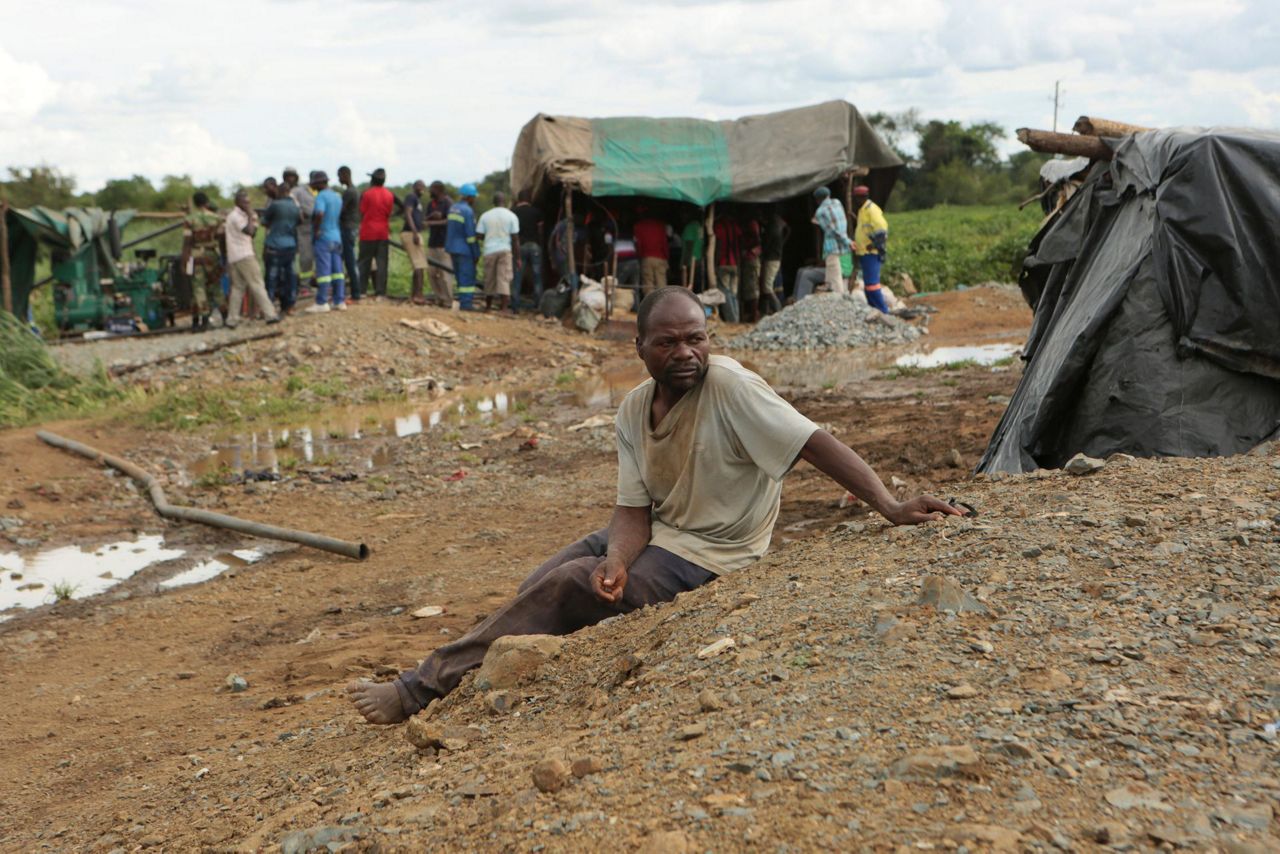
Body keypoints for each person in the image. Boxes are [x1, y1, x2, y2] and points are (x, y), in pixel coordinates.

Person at [347, 286, 960, 724]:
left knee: (564, 587)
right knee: (545, 580)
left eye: (696, 338)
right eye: (668, 342)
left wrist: (890, 505)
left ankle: (416, 690)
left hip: (715, 554)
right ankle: (486, 666)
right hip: (662, 533)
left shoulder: (731, 387)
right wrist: (617, 559)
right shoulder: (635, 408)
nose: (686, 352)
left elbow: (814, 442)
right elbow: (633, 511)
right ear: (639, 346)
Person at [223, 189, 280, 328]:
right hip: (244, 255)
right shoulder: (236, 217)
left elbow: (253, 232)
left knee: (238, 288)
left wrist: (251, 218)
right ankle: (270, 314)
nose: (247, 204)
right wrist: (250, 215)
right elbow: (249, 231)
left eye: (248, 202)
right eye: (244, 202)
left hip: (235, 256)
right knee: (257, 284)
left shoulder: (236, 216)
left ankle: (232, 319)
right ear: (237, 202)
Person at [179, 191, 225, 332]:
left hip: (196, 254)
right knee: (215, 286)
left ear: (195, 203)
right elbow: (221, 239)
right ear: (207, 202)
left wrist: (184, 261)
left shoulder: (190, 219)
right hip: (212, 254)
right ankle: (225, 315)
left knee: (198, 287)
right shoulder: (217, 218)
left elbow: (187, 242)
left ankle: (200, 320)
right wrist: (224, 257)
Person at [307, 171, 345, 313]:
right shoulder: (337, 196)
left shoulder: (321, 196)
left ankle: (322, 302)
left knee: (323, 271)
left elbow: (320, 213)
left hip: (324, 237)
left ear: (319, 183)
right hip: (337, 237)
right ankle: (339, 300)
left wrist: (316, 230)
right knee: (338, 271)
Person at [261, 178, 300, 315]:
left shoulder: (275, 205)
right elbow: (299, 221)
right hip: (290, 245)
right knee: (289, 277)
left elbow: (264, 222)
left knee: (272, 277)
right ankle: (289, 306)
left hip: (275, 245)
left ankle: (268, 307)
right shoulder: (295, 206)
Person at [476, 191, 520, 313]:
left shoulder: (485, 216)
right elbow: (515, 239)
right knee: (504, 279)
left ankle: (488, 307)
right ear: (504, 201)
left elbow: (479, 235)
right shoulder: (511, 216)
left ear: (493, 202)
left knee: (489, 279)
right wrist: (518, 258)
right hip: (505, 250)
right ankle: (504, 308)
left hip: (489, 250)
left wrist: (489, 236)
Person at [852, 185, 890, 313]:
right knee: (868, 284)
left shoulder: (871, 210)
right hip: (864, 253)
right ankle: (873, 310)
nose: (855, 201)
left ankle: (883, 311)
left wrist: (874, 245)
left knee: (873, 284)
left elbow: (882, 230)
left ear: (861, 197)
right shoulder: (862, 209)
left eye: (856, 198)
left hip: (871, 253)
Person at [358, 168, 394, 301]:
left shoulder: (366, 194)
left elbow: (362, 211)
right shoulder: (389, 195)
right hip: (383, 232)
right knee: (382, 264)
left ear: (372, 179)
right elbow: (389, 212)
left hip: (367, 232)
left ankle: (362, 291)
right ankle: (380, 293)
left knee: (364, 263)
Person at [445, 183, 481, 310]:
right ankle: (466, 304)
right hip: (465, 250)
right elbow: (471, 235)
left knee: (459, 276)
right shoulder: (467, 211)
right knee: (467, 276)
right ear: (469, 197)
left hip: (452, 248)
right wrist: (476, 253)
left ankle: (462, 301)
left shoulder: (452, 208)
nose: (474, 200)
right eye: (473, 197)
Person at [812, 186, 850, 295]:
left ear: (818, 199)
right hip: (842, 245)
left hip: (832, 246)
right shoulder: (837, 203)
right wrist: (847, 241)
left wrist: (847, 241)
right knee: (831, 273)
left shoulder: (821, 211)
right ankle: (830, 290)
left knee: (835, 277)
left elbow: (833, 231)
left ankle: (838, 298)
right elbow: (840, 226)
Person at [284, 167, 316, 296]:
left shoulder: (306, 190)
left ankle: (311, 283)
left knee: (315, 257)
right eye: (287, 176)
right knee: (305, 258)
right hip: (301, 229)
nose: (290, 179)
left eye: (292, 176)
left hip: (314, 227)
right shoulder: (293, 192)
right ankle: (304, 285)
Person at [511, 190, 544, 312]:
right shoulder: (536, 212)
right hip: (534, 246)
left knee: (518, 276)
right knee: (537, 276)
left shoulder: (513, 212)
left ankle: (515, 305)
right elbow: (540, 230)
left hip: (519, 246)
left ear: (518, 199)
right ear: (529, 199)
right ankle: (538, 305)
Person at [425, 181, 454, 307]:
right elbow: (425, 220)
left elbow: (450, 221)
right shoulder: (430, 204)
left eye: (431, 189)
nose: (429, 191)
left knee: (445, 274)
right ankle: (439, 297)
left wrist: (433, 223)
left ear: (438, 190)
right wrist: (432, 216)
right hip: (432, 243)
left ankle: (448, 300)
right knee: (432, 273)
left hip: (444, 244)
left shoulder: (448, 203)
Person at [400, 180, 429, 305]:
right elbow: (408, 213)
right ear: (414, 187)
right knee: (419, 265)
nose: (421, 188)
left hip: (415, 233)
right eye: (419, 186)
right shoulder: (411, 197)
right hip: (411, 234)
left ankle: (416, 293)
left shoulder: (418, 200)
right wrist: (415, 232)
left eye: (423, 186)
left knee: (420, 265)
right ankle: (418, 295)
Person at [337, 166, 362, 302]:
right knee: (348, 261)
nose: (339, 179)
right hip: (352, 228)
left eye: (339, 175)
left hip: (347, 229)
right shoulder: (354, 191)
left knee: (350, 262)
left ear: (345, 175)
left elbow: (341, 211)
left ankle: (355, 294)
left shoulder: (349, 192)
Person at [633, 208, 670, 297]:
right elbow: (664, 243)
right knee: (661, 284)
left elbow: (639, 245)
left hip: (646, 258)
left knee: (648, 285)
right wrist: (666, 257)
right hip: (660, 258)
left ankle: (650, 307)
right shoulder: (660, 225)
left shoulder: (638, 226)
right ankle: (663, 305)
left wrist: (639, 256)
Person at [713, 213, 742, 322]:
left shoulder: (719, 226)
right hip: (734, 264)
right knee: (733, 293)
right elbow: (739, 244)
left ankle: (732, 320)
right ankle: (737, 318)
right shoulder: (735, 226)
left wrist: (715, 264)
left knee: (725, 293)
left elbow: (719, 246)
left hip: (723, 263)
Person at [760, 208, 789, 314]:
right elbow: (788, 230)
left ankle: (778, 311)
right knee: (770, 286)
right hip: (776, 258)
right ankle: (768, 311)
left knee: (767, 288)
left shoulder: (771, 229)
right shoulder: (779, 225)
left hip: (771, 259)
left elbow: (766, 245)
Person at [738, 213, 763, 324]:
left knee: (752, 288)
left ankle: (754, 314)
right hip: (749, 259)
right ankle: (752, 314)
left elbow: (757, 239)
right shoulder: (751, 223)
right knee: (750, 288)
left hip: (751, 259)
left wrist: (746, 247)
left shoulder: (752, 223)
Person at [680, 212, 705, 290]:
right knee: (697, 288)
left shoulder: (689, 227)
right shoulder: (699, 227)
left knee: (689, 288)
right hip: (699, 260)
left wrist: (684, 264)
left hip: (691, 262)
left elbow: (689, 246)